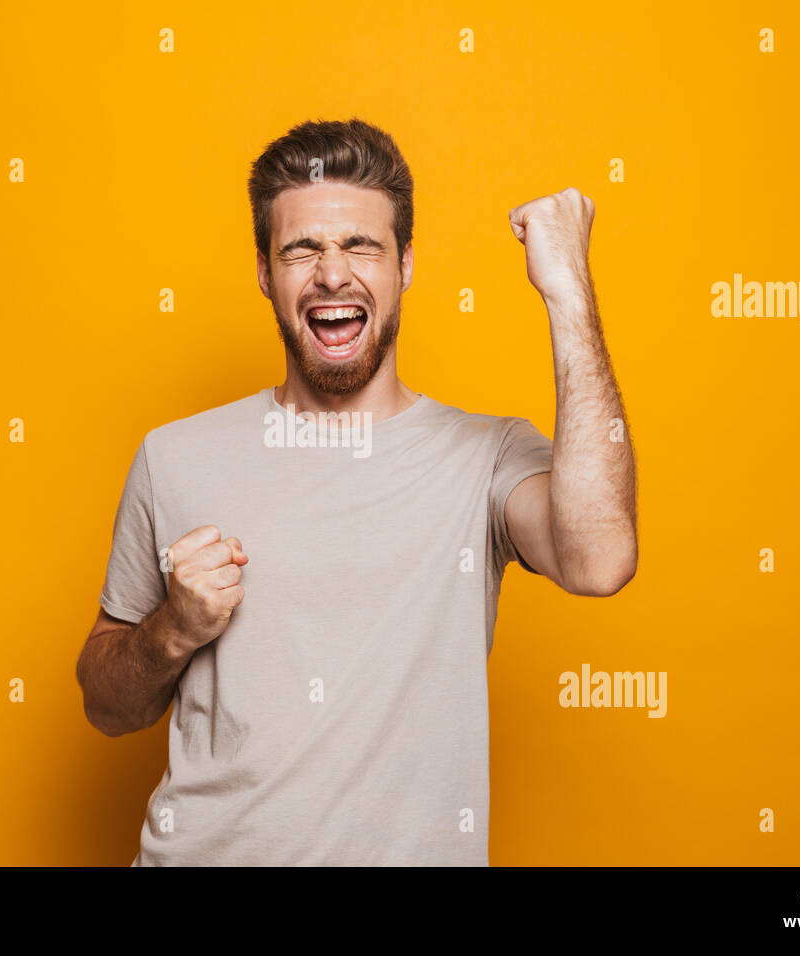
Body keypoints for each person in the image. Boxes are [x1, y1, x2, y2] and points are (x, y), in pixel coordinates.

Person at [76, 117, 637, 865]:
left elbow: (600, 560)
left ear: (404, 264)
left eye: (360, 246)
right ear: (264, 272)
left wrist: (567, 293)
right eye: (301, 249)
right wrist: (172, 628)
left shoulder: (488, 458)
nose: (332, 274)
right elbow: (105, 706)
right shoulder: (173, 456)